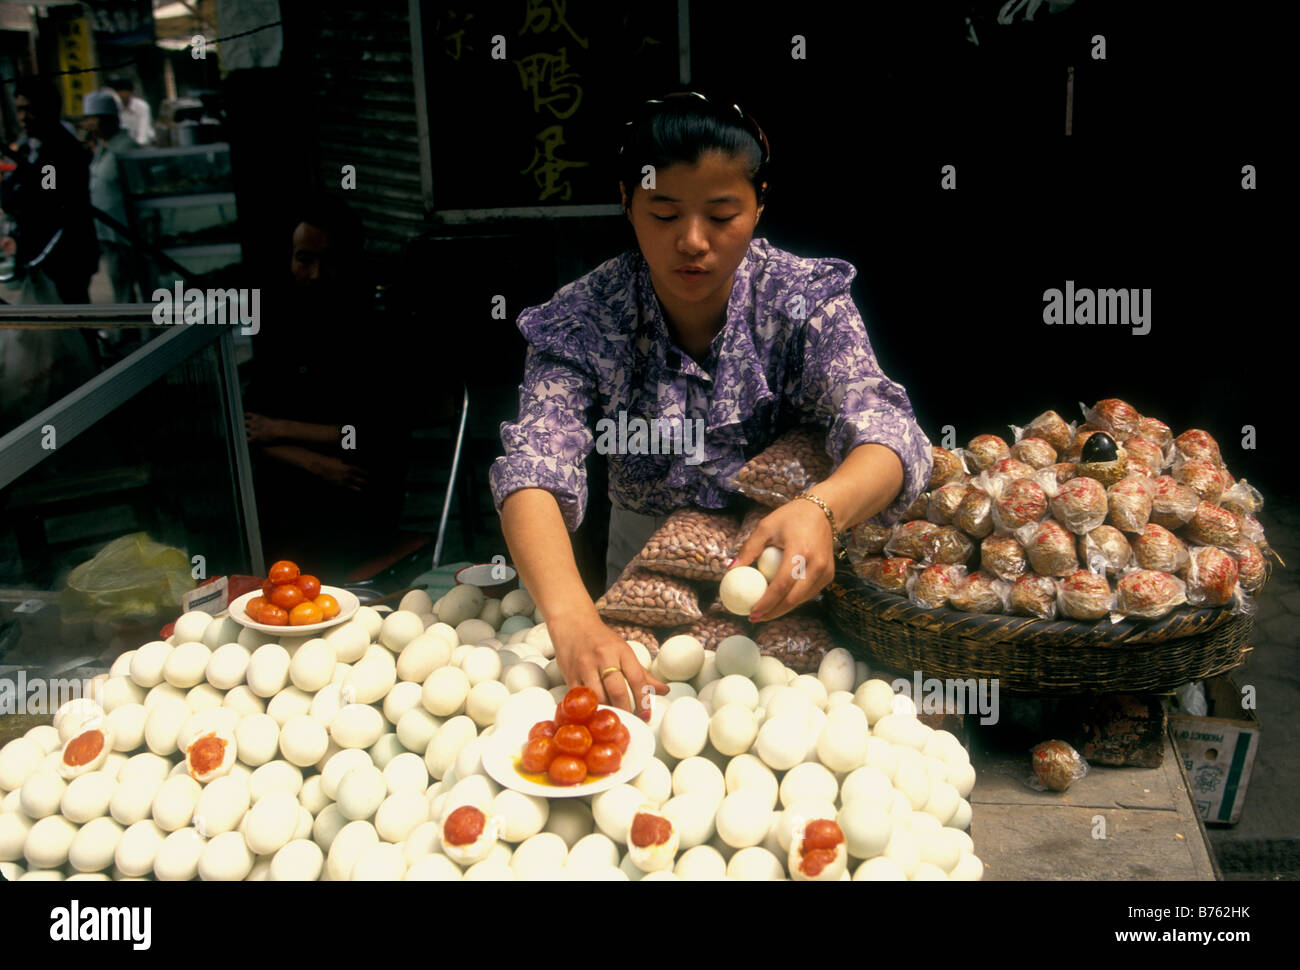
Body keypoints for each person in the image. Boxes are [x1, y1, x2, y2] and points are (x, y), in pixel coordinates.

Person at [490, 92, 932, 718]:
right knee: (653, 720)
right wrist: (571, 617)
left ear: (759, 204)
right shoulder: (586, 318)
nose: (692, 241)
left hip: (787, 566)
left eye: (722, 214)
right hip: (645, 571)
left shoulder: (802, 300)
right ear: (627, 200)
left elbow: (888, 431)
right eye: (664, 213)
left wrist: (823, 509)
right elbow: (534, 469)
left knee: (780, 719)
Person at [241, 193, 412, 581]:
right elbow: (250, 427)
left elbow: (375, 432)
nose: (316, 274)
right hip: (298, 479)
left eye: (330, 261)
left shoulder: (377, 329)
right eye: (305, 260)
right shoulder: (281, 323)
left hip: (355, 495)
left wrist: (279, 429)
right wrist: (315, 462)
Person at [0, 78, 100, 305]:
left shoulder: (58, 150)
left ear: (47, 110)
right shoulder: (29, 146)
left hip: (64, 255)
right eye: (19, 110)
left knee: (72, 316)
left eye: (29, 109)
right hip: (41, 254)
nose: (23, 117)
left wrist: (18, 198)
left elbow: (46, 200)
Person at [82, 91, 140, 303]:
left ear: (108, 120)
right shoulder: (101, 149)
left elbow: (139, 191)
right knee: (121, 287)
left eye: (93, 119)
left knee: (145, 287)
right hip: (108, 234)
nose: (88, 124)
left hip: (127, 233)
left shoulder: (126, 148)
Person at [105, 77, 154, 147]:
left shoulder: (142, 106)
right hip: (126, 145)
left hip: (145, 143)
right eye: (119, 92)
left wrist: (139, 145)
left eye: (125, 92)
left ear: (130, 92)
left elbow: (143, 129)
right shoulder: (115, 107)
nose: (122, 95)